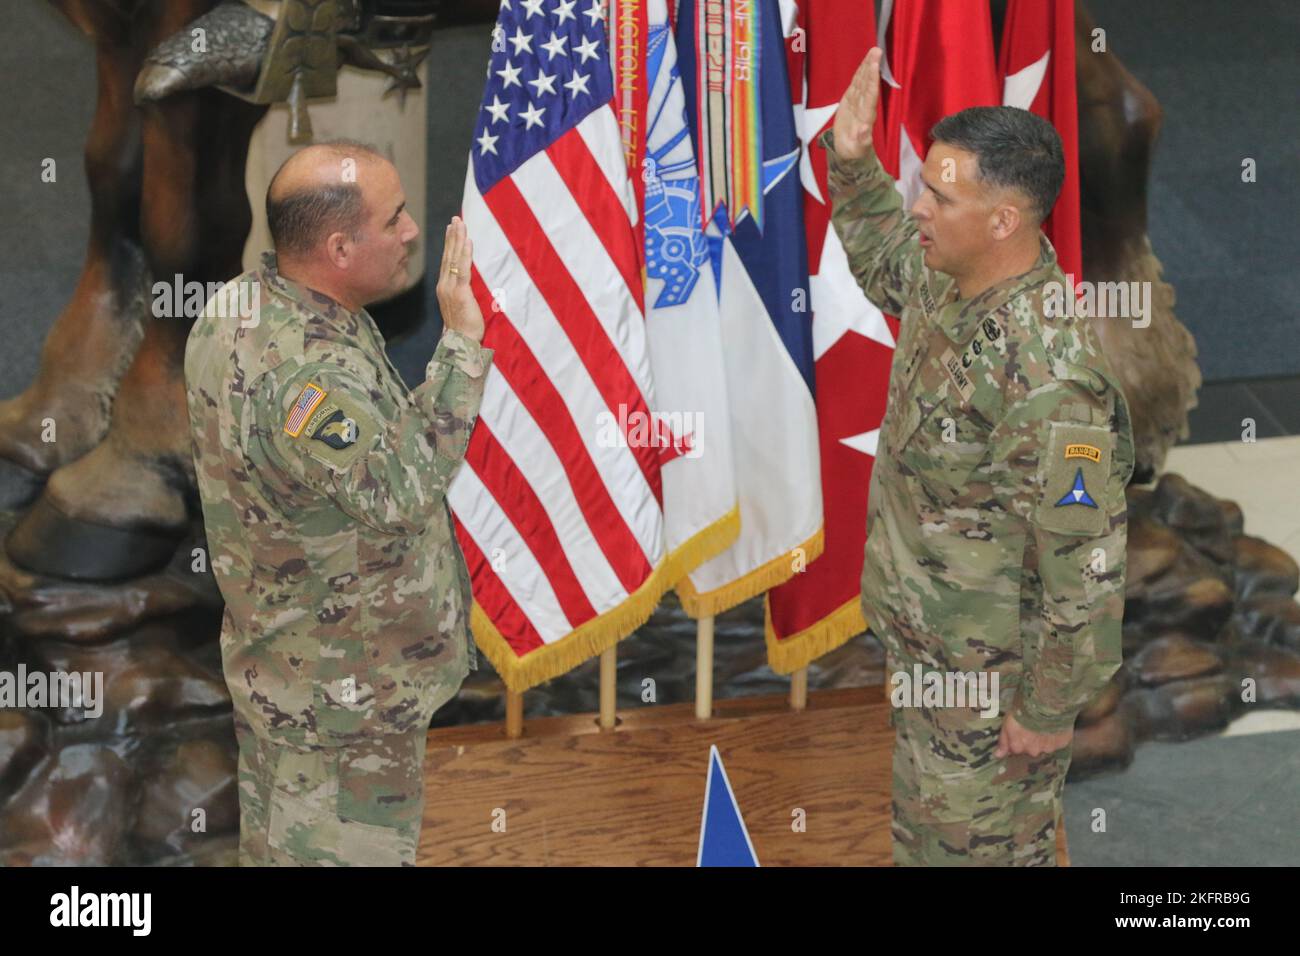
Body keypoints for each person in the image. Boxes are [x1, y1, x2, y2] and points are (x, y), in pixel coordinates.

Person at [824, 49, 1135, 865]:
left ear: (1004, 221)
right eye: (924, 186)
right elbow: (887, 261)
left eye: (940, 196)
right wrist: (853, 166)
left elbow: (1085, 566)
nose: (919, 206)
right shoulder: (947, 274)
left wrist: (1048, 705)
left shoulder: (1054, 385)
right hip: (933, 654)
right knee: (928, 844)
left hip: (994, 690)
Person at [184, 139, 492, 866]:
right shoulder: (307, 377)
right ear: (339, 246)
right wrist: (462, 346)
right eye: (396, 219)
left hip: (290, 678)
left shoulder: (237, 306)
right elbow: (402, 490)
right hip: (343, 709)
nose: (412, 231)